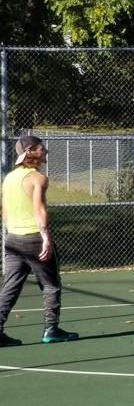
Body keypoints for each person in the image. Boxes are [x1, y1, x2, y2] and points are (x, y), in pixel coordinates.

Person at [0, 135, 79, 346]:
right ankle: (51, 329)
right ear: (30, 152)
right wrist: (45, 239)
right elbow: (39, 210)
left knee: (11, 286)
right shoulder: (38, 179)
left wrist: (13, 234)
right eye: (41, 147)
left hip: (13, 239)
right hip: (34, 238)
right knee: (51, 285)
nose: (45, 150)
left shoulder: (9, 179)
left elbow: (5, 213)